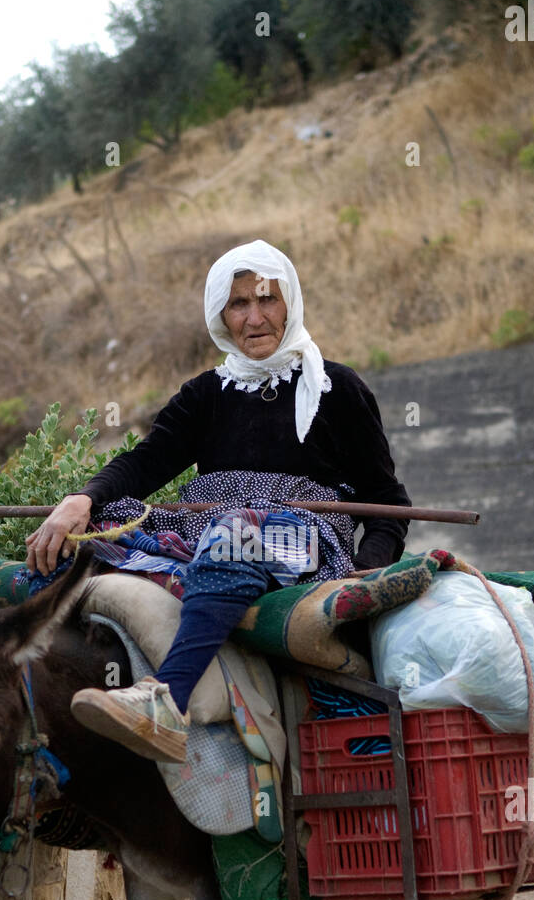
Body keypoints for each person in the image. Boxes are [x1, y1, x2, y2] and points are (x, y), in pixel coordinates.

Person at [24, 239, 411, 764]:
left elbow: (388, 503)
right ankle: (33, 725)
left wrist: (363, 575)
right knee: (98, 529)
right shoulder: (205, 394)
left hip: (304, 547)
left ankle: (168, 701)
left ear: (290, 302)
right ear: (220, 316)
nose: (255, 318)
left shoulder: (336, 389)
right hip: (211, 538)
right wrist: (81, 500)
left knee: (236, 531)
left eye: (267, 299)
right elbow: (144, 463)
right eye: (238, 305)